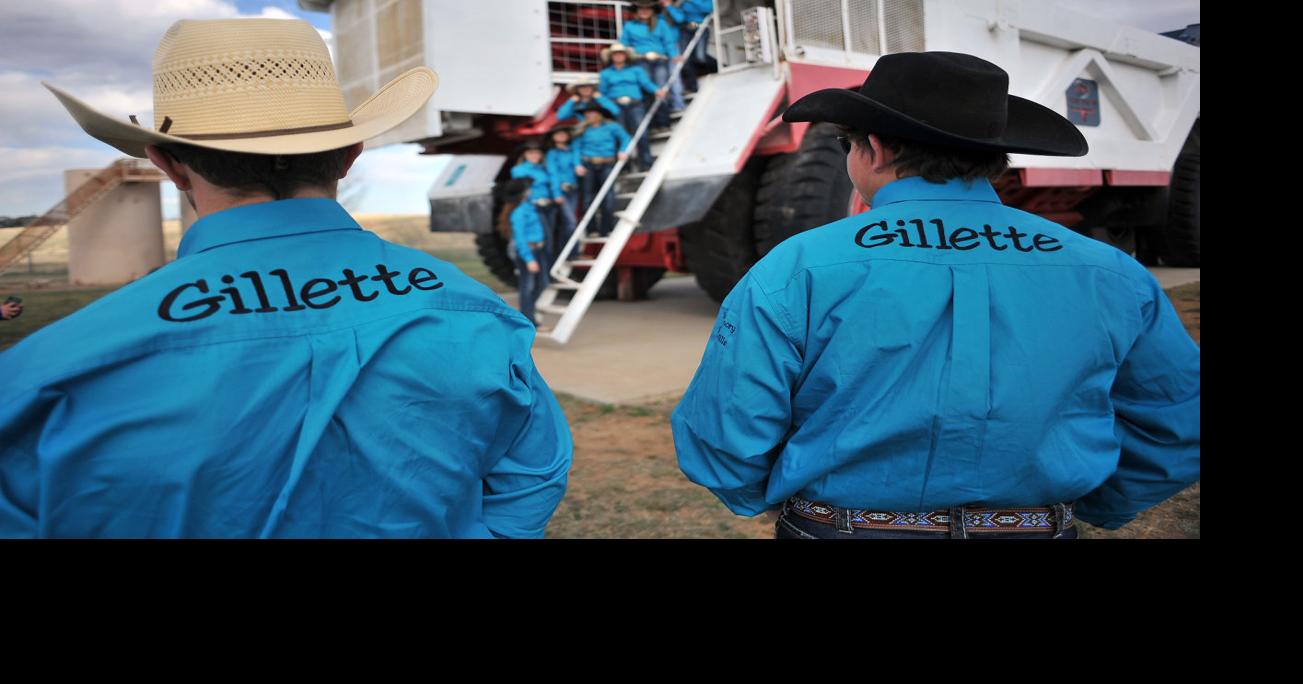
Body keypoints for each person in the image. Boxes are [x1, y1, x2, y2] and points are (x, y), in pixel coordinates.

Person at [0, 18, 572, 538]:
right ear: (350, 153)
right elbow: (534, 473)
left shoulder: (45, 377)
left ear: (168, 164)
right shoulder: (476, 312)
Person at [671, 52, 1200, 539]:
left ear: (872, 149)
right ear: (994, 157)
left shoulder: (799, 265)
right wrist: (1094, 505)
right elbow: (1178, 421)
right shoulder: (1109, 272)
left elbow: (725, 432)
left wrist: (771, 501)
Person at [598, 42, 664, 170]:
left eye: (620, 54)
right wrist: (611, 107)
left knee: (641, 133)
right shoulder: (605, 73)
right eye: (615, 54)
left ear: (625, 56)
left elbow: (646, 83)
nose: (618, 56)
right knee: (621, 135)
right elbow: (602, 94)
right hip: (616, 106)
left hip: (635, 104)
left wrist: (656, 90)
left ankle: (646, 162)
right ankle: (625, 166)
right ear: (611, 57)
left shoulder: (636, 70)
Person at [620, 0, 684, 131]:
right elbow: (623, 44)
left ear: (652, 11)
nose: (644, 11)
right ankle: (653, 125)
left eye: (648, 9)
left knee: (661, 89)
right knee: (648, 91)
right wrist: (631, 52)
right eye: (641, 9)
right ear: (636, 11)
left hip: (660, 60)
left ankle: (664, 123)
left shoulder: (661, 24)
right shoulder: (629, 26)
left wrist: (673, 55)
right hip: (640, 61)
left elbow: (668, 42)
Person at [572, 104, 630, 237]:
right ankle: (591, 229)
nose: (589, 116)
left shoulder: (611, 126)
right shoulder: (582, 130)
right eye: (587, 114)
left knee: (608, 197)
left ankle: (606, 228)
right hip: (588, 165)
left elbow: (626, 138)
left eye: (592, 113)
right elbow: (576, 148)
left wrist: (622, 151)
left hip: (607, 163)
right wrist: (577, 164)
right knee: (587, 198)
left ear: (599, 115)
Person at [503, 179, 551, 332]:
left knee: (542, 283)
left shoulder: (531, 207)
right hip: (527, 253)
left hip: (538, 250)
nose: (531, 190)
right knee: (527, 286)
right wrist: (529, 259)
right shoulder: (519, 213)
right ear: (523, 193)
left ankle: (526, 310)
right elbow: (520, 238)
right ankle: (529, 321)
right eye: (528, 189)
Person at [509, 140, 558, 264]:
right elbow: (522, 190)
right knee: (542, 237)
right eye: (530, 153)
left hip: (548, 205)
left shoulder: (544, 168)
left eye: (537, 153)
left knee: (550, 237)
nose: (534, 156)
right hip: (534, 207)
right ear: (525, 155)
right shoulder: (519, 170)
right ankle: (539, 265)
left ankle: (547, 267)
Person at [546, 126, 581, 261]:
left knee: (567, 223)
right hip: (561, 191)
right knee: (571, 222)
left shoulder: (573, 150)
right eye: (557, 134)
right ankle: (573, 253)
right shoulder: (552, 154)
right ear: (553, 137)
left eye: (563, 133)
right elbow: (552, 174)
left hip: (573, 190)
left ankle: (563, 252)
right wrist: (556, 194)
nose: (561, 135)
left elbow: (577, 160)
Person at [555, 78, 621, 122]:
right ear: (577, 90)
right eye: (582, 87)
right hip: (584, 130)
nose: (585, 89)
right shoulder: (575, 103)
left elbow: (615, 112)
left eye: (588, 86)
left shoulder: (600, 100)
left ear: (593, 88)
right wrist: (570, 101)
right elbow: (561, 117)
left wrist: (601, 98)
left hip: (602, 128)